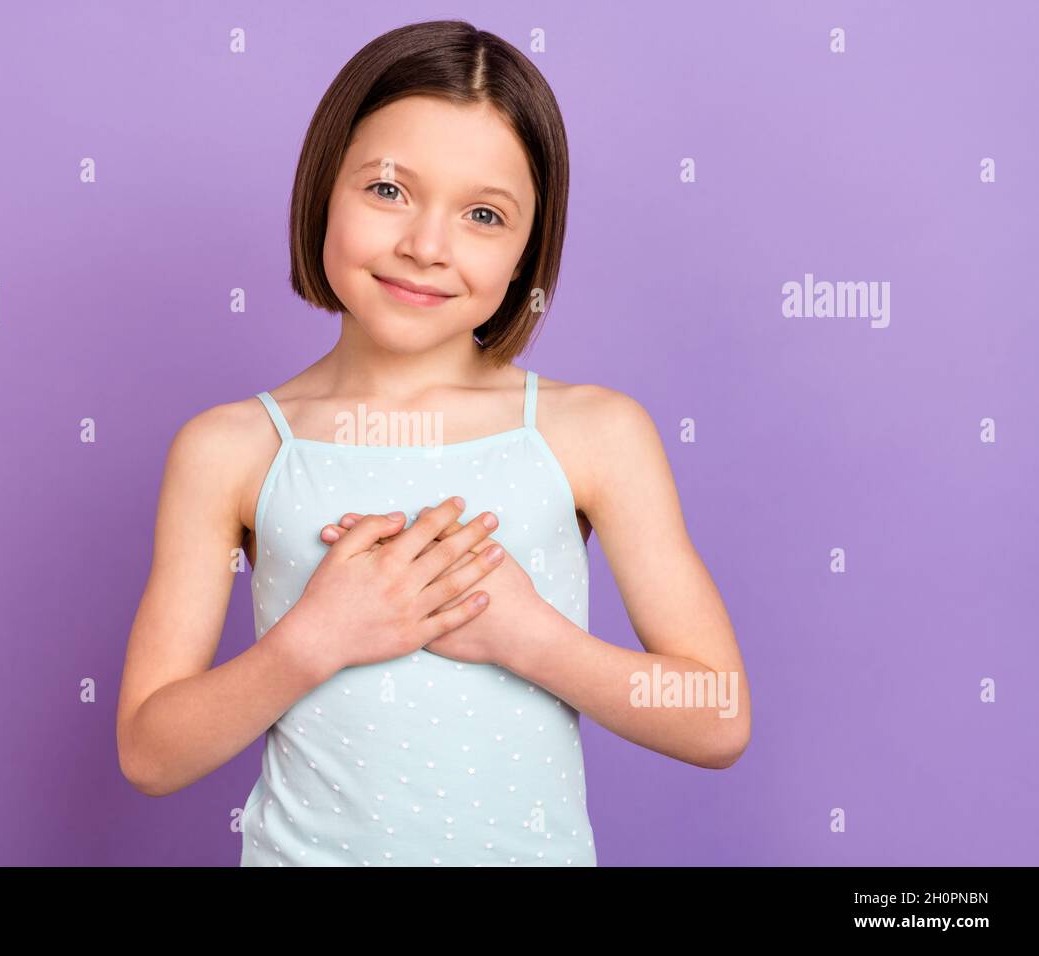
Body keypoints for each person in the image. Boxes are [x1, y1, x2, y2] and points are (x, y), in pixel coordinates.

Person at [116, 19, 749, 866]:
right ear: (322, 186)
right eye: (387, 190)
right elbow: (150, 752)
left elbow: (717, 717)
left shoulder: (592, 432)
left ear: (529, 250)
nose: (425, 246)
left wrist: (529, 639)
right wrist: (315, 640)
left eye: (484, 214)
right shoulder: (230, 448)